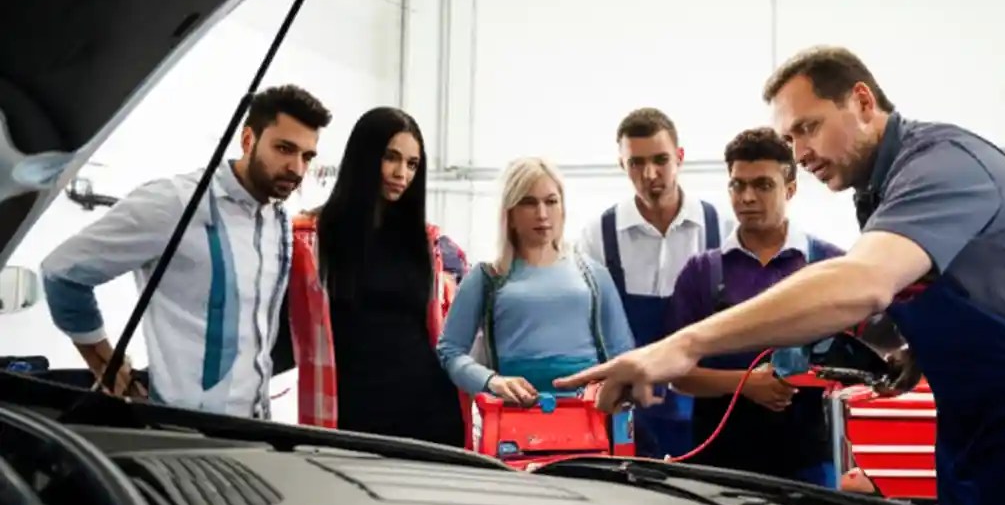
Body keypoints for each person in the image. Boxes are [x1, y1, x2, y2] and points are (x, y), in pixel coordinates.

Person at [557, 46, 1005, 505]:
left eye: (808, 128)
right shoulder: (878, 191)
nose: (798, 151)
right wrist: (910, 348)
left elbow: (865, 282)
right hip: (971, 417)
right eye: (791, 137)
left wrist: (684, 345)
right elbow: (947, 291)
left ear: (863, 102)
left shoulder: (941, 165)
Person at [41, 85, 332, 417]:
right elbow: (62, 274)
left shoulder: (277, 219)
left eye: (307, 156)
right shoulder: (175, 202)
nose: (296, 168)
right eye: (284, 148)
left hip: (254, 428)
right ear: (248, 139)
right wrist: (109, 369)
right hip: (178, 427)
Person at [665, 128, 843, 486]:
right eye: (737, 185)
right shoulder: (701, 273)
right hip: (717, 464)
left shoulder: (830, 266)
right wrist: (745, 385)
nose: (747, 197)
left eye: (762, 185)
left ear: (790, 189)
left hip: (808, 461)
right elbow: (676, 375)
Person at [279, 106, 465, 445]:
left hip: (430, 412)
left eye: (412, 164)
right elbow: (277, 336)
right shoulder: (312, 239)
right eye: (391, 157)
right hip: (352, 415)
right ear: (364, 157)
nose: (401, 174)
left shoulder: (426, 243)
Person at [438, 157, 634, 440]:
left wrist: (617, 393)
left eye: (551, 201)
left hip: (592, 419)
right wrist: (491, 381)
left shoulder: (592, 274)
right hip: (512, 422)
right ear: (510, 213)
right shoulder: (487, 276)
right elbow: (449, 351)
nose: (542, 213)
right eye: (529, 203)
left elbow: (622, 353)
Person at [577, 108, 734, 460]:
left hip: (707, 407)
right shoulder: (598, 236)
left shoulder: (720, 228)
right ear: (622, 165)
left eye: (661, 160)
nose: (650, 174)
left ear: (679, 157)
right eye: (636, 163)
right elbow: (587, 326)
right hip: (628, 405)